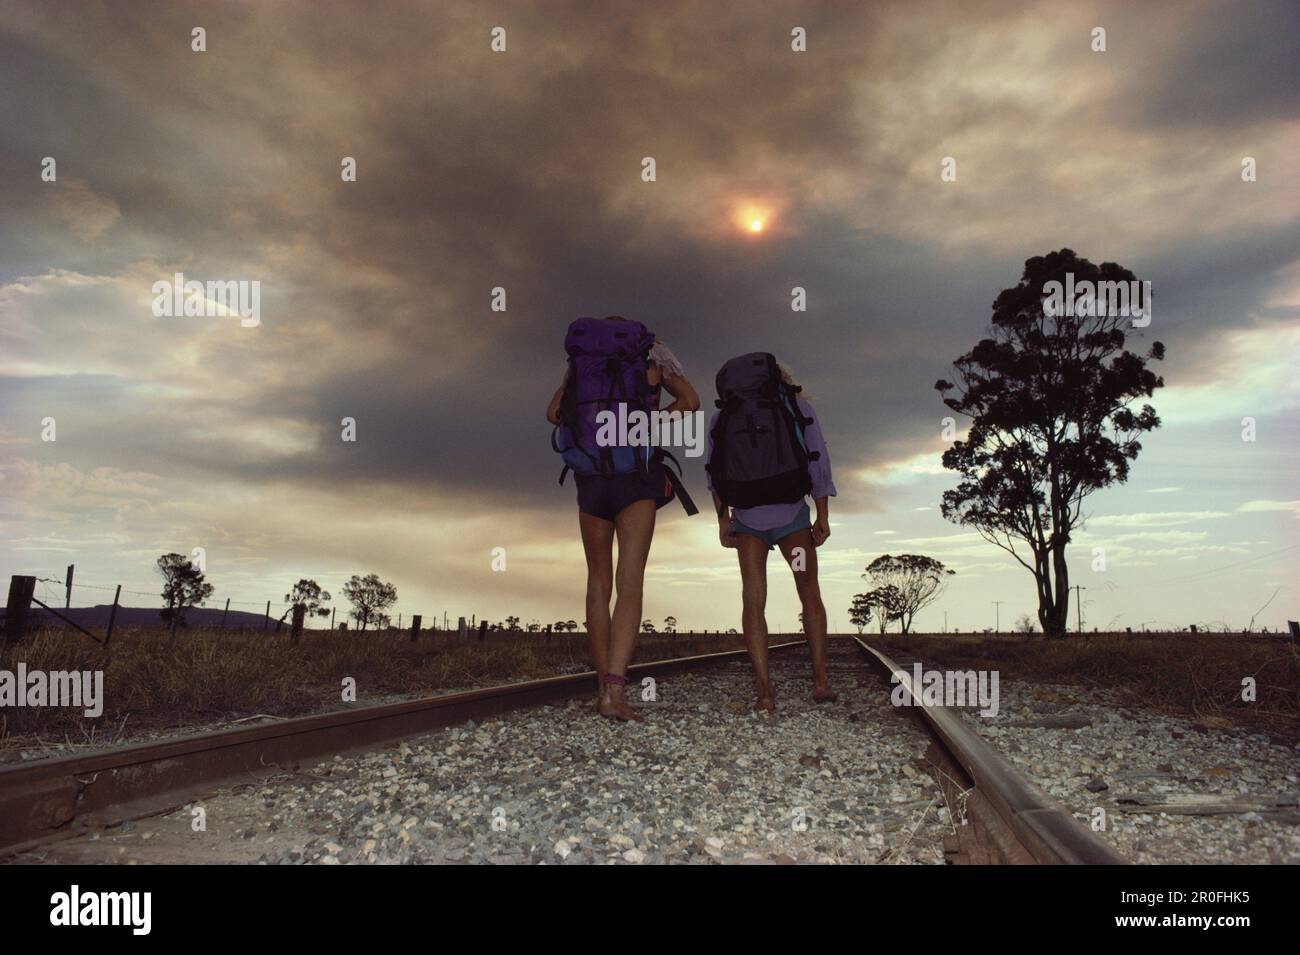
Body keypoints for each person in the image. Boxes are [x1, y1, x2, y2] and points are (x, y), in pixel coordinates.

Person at [547, 317, 700, 721]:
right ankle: (616, 691)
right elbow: (691, 403)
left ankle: (601, 688)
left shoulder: (583, 363)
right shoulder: (652, 356)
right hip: (635, 479)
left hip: (592, 480)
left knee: (597, 582)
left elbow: (552, 414)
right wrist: (647, 425)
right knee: (629, 583)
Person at [707, 361, 836, 710]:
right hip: (792, 519)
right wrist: (822, 514)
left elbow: (713, 474)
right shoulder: (797, 408)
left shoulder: (722, 416)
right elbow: (817, 461)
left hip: (748, 523)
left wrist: (723, 521)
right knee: (808, 592)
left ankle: (764, 692)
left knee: (753, 599)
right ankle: (821, 683)